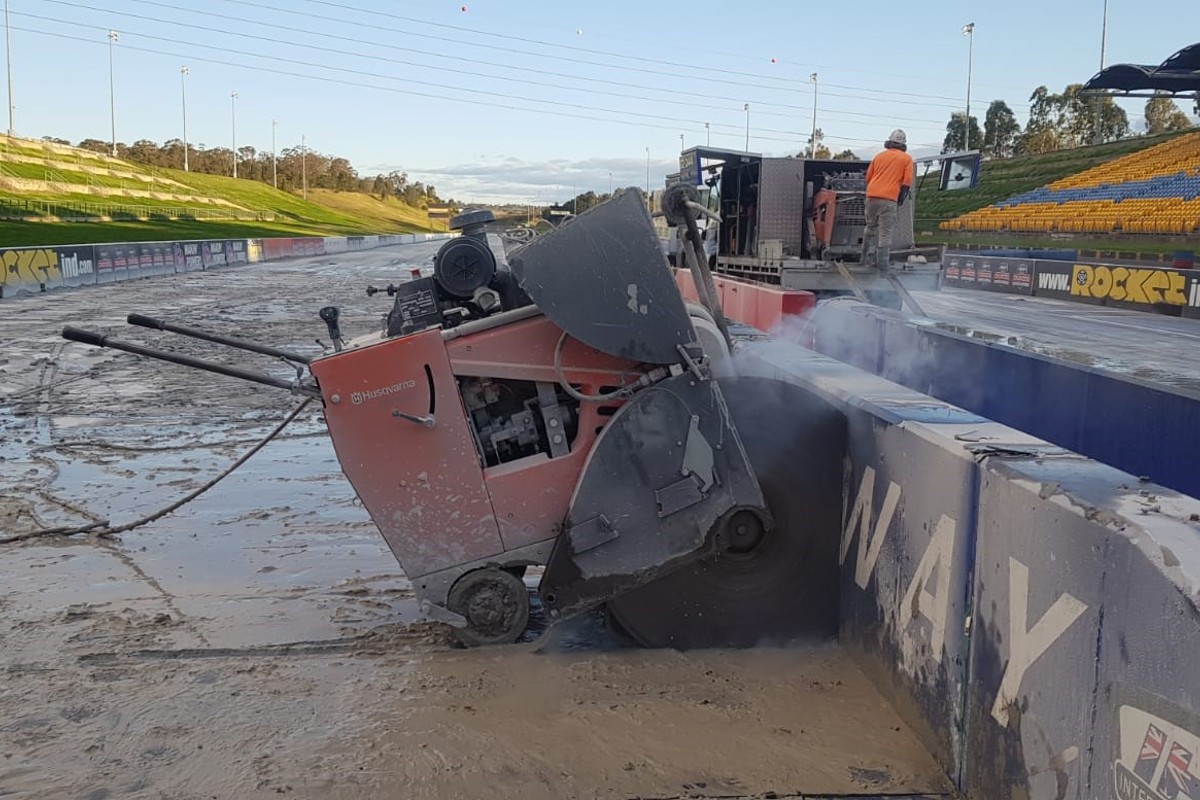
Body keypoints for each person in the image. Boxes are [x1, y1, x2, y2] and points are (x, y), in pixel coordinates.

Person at [861, 128, 915, 271]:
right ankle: (882, 265)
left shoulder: (878, 156)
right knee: (885, 233)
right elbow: (907, 181)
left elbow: (868, 177)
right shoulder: (907, 159)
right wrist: (900, 199)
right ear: (903, 144)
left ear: (889, 141)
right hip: (889, 199)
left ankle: (864, 258)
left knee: (870, 227)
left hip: (871, 196)